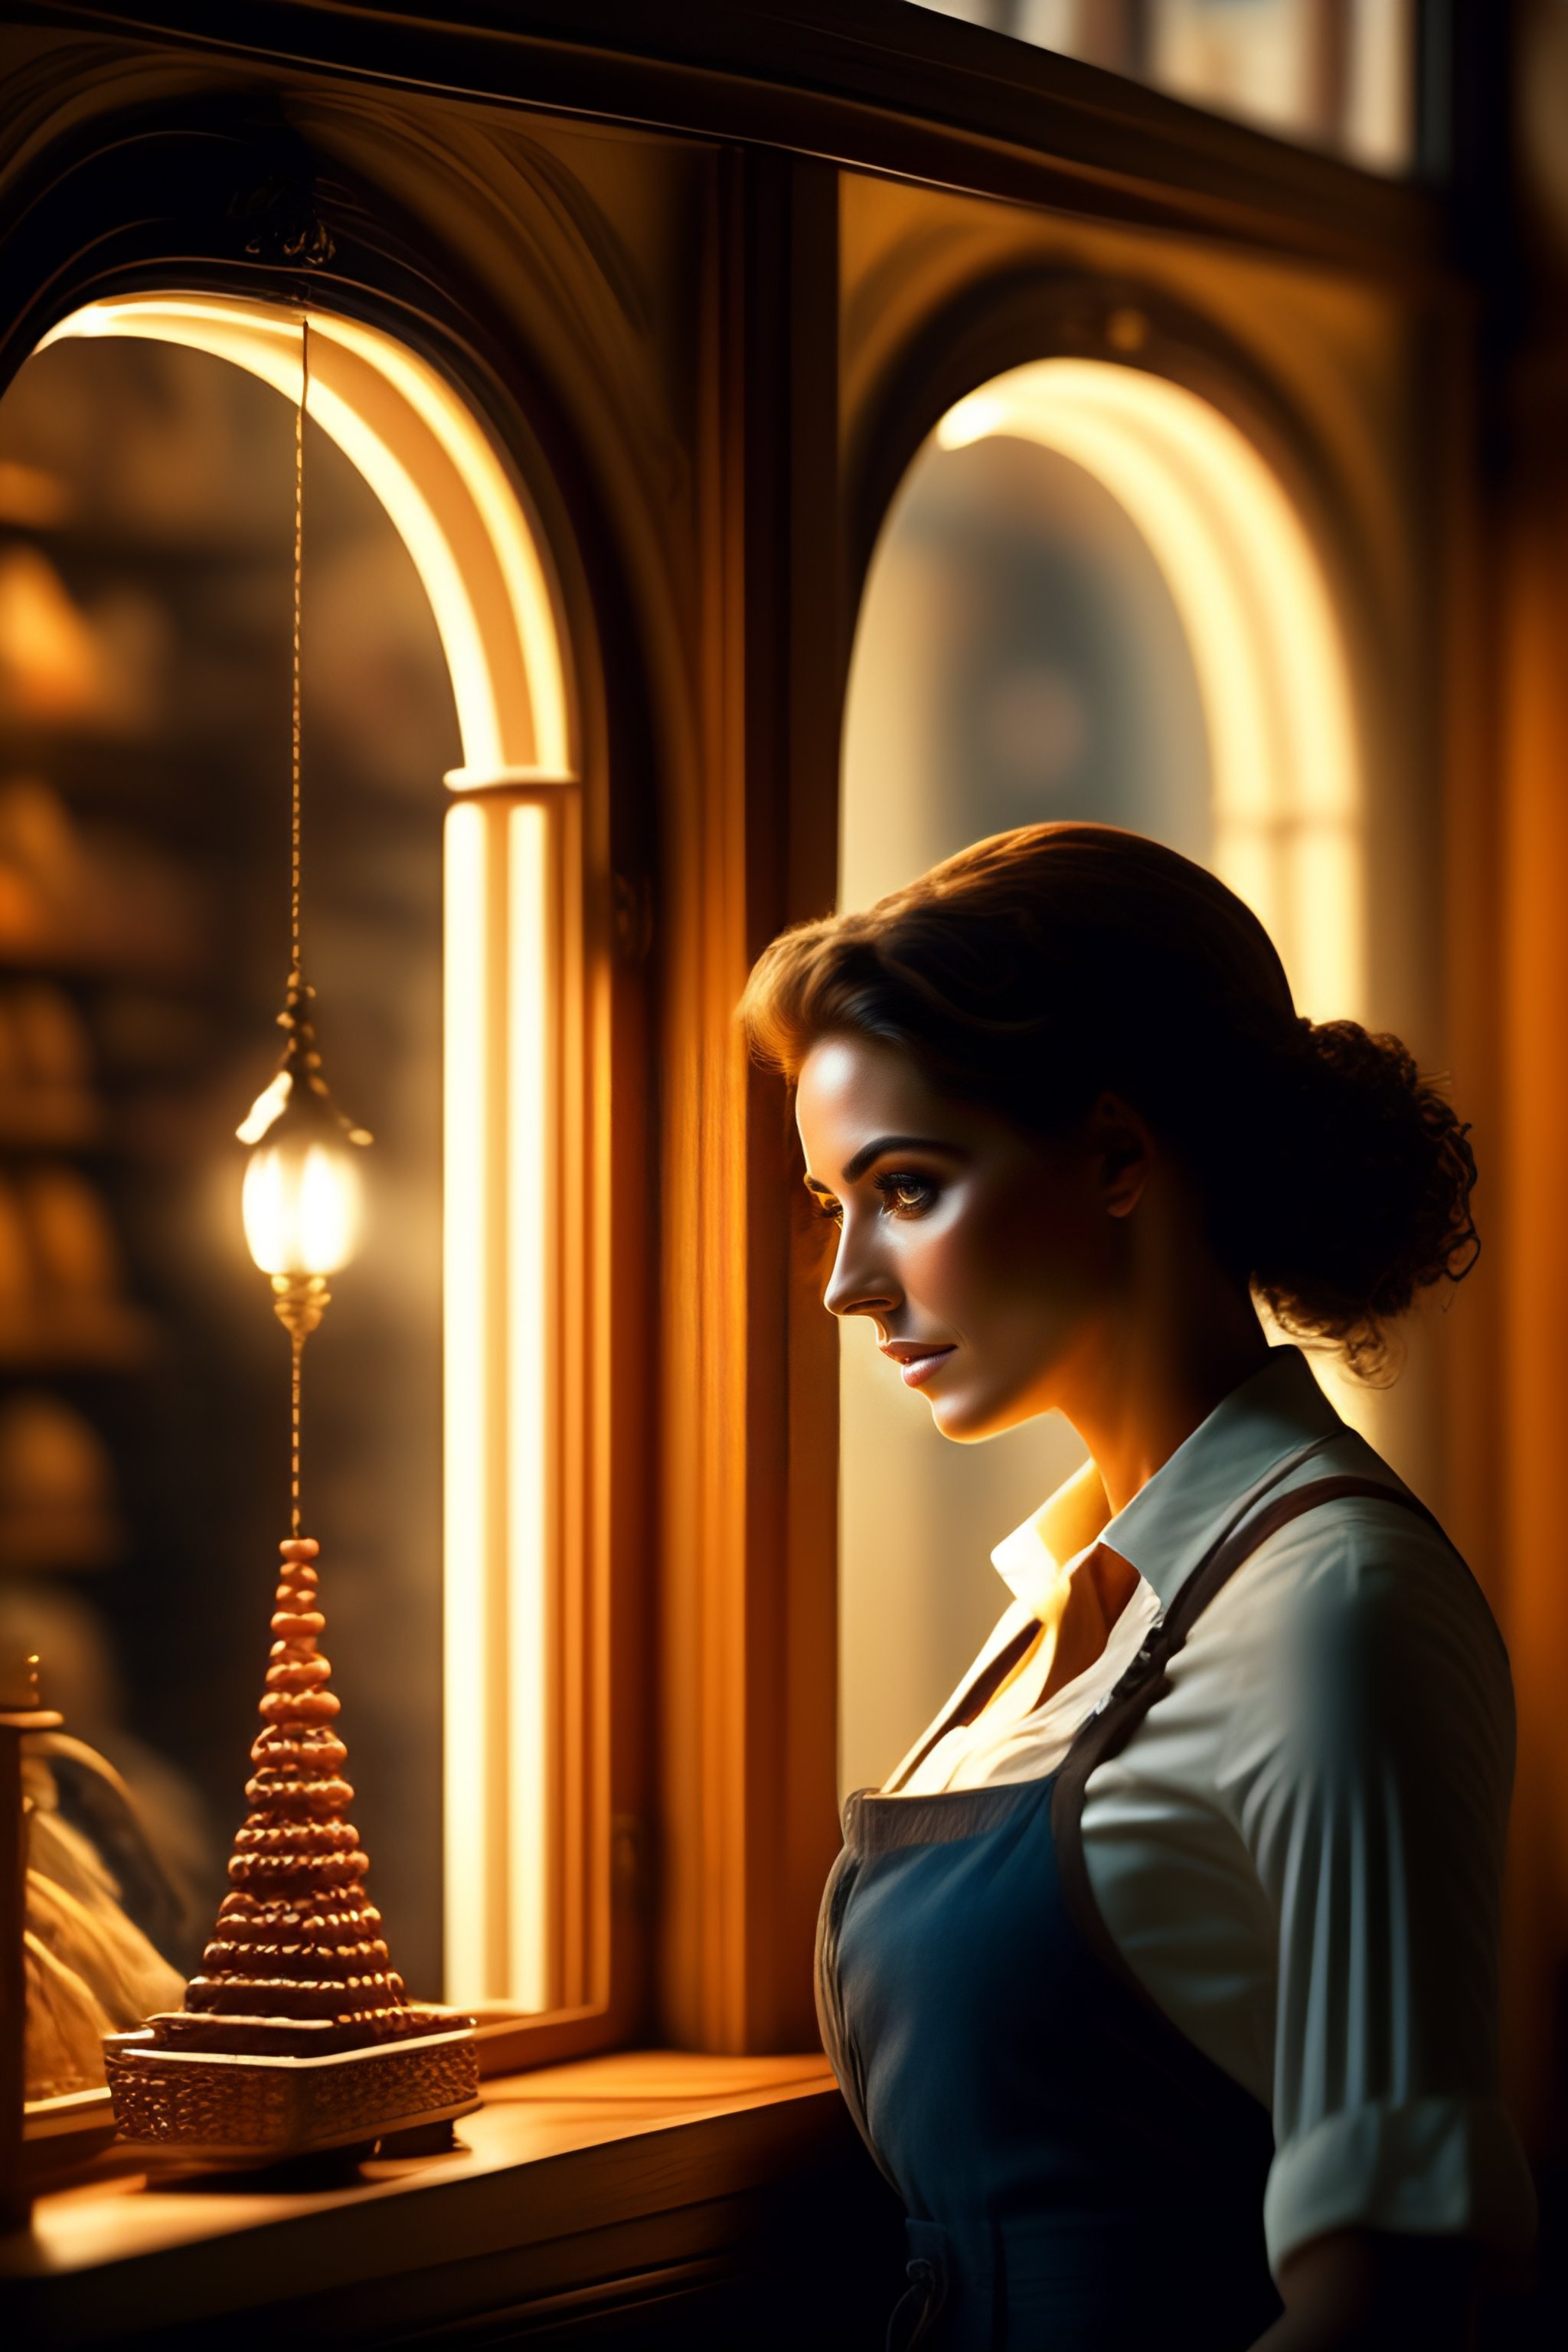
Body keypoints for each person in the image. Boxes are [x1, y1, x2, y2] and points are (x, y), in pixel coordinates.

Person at [740, 824, 1537, 2351]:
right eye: (829, 1203)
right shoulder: (1063, 1597)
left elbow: (1396, 2296)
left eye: (904, 1189)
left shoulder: (1332, 1613)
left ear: (1114, 1156)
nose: (845, 1279)